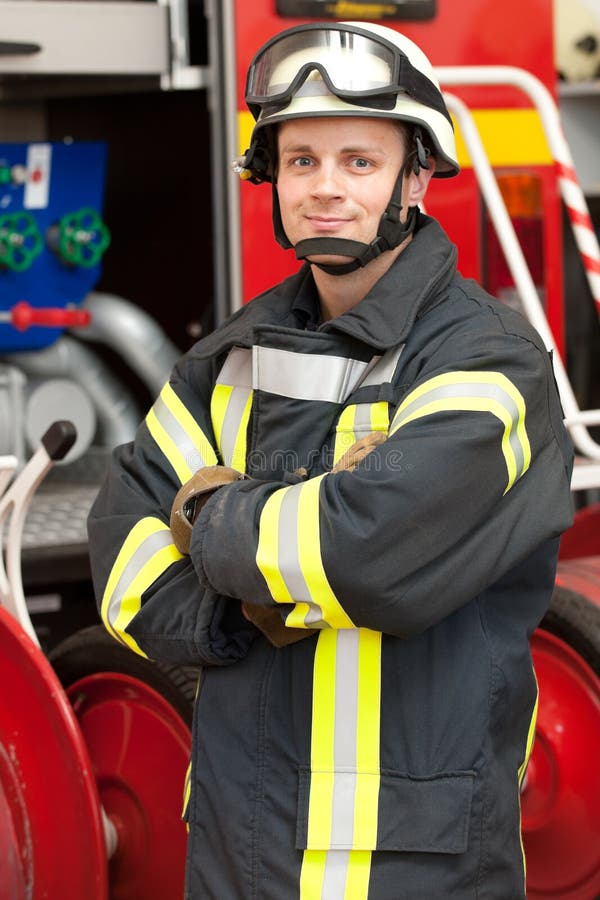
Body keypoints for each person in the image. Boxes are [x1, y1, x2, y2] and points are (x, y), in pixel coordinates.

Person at [87, 20, 574, 900]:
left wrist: (204, 517)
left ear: (416, 177)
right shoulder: (225, 360)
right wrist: (247, 608)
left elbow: (365, 554)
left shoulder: (488, 362)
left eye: (359, 160)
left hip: (413, 866)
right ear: (271, 178)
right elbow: (121, 552)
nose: (325, 189)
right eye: (302, 160)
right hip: (235, 852)